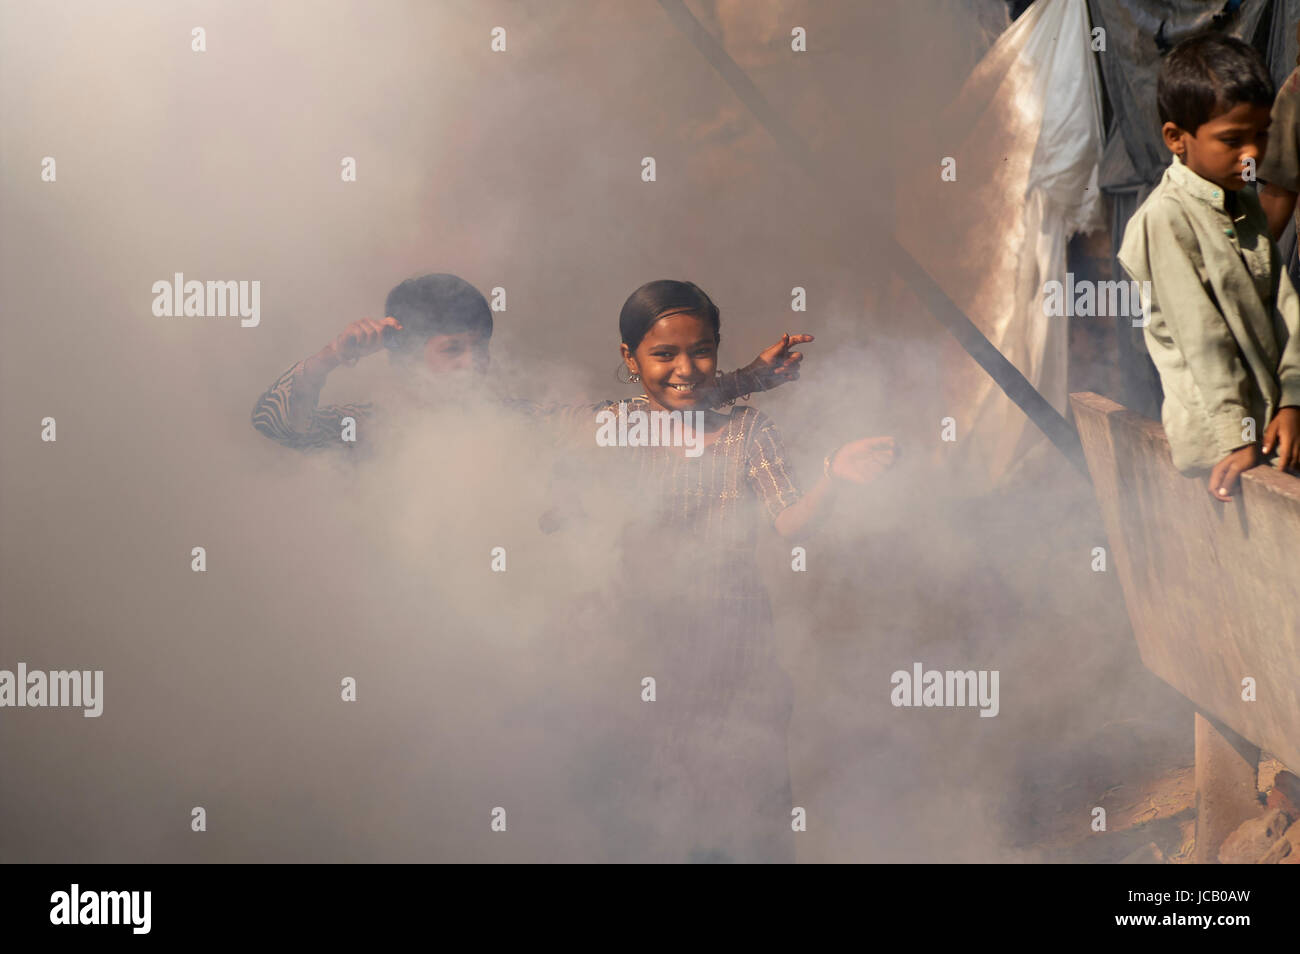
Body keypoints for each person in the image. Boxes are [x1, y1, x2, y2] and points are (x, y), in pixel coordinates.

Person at [534, 280, 896, 862]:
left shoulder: (748, 431)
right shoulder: (612, 429)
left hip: (739, 662)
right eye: (663, 354)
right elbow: (536, 463)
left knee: (745, 817)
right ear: (629, 360)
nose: (686, 368)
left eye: (701, 351)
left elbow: (790, 522)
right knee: (648, 818)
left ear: (718, 349)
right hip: (638, 664)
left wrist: (834, 474)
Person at [250, 272, 809, 455]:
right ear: (403, 359)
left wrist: (747, 380)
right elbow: (275, 423)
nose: (475, 365)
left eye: (481, 348)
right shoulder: (365, 431)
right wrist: (330, 359)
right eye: (452, 350)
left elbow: (637, 421)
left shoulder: (519, 426)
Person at [1117, 35, 1300, 500]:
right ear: (1177, 138)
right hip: (1224, 452)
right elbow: (1203, 340)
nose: (1253, 153)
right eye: (1232, 140)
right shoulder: (1167, 219)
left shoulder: (1243, 201)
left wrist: (1294, 399)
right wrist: (1236, 437)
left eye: (1262, 134)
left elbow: (1286, 306)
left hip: (1272, 434)